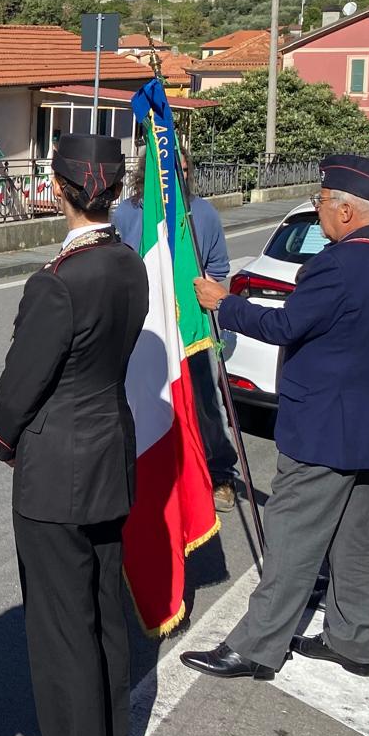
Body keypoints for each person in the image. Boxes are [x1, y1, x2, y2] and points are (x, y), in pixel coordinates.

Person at [183, 155, 369, 684]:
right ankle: (351, 640)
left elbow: (287, 325)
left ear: (346, 209)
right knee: (357, 541)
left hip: (323, 428)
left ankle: (256, 647)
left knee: (293, 536)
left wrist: (226, 304)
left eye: (320, 202)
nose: (317, 211)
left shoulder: (337, 264)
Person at [0, 134, 148, 736]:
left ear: (58, 188)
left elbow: (18, 391)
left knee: (62, 635)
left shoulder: (57, 283)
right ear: (112, 188)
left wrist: (5, 440)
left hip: (58, 471)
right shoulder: (129, 263)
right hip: (111, 454)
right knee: (104, 620)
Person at [112, 149, 240, 511]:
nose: (176, 178)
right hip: (143, 329)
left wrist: (204, 303)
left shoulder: (203, 213)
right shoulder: (127, 214)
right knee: (139, 402)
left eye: (183, 171)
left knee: (205, 405)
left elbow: (218, 267)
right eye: (168, 172)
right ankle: (141, 472)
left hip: (192, 329)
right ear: (149, 174)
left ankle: (220, 473)